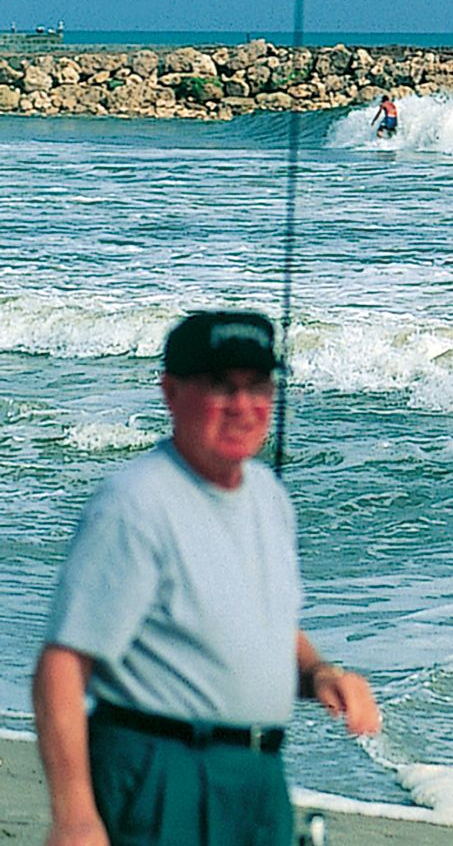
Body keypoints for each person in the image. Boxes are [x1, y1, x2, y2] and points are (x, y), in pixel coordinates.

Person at [34, 311, 381, 846]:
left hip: (257, 778)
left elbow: (268, 627)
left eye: (258, 386)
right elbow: (61, 667)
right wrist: (75, 815)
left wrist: (319, 674)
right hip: (159, 774)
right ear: (171, 392)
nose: (243, 406)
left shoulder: (269, 497)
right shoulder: (135, 505)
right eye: (221, 386)